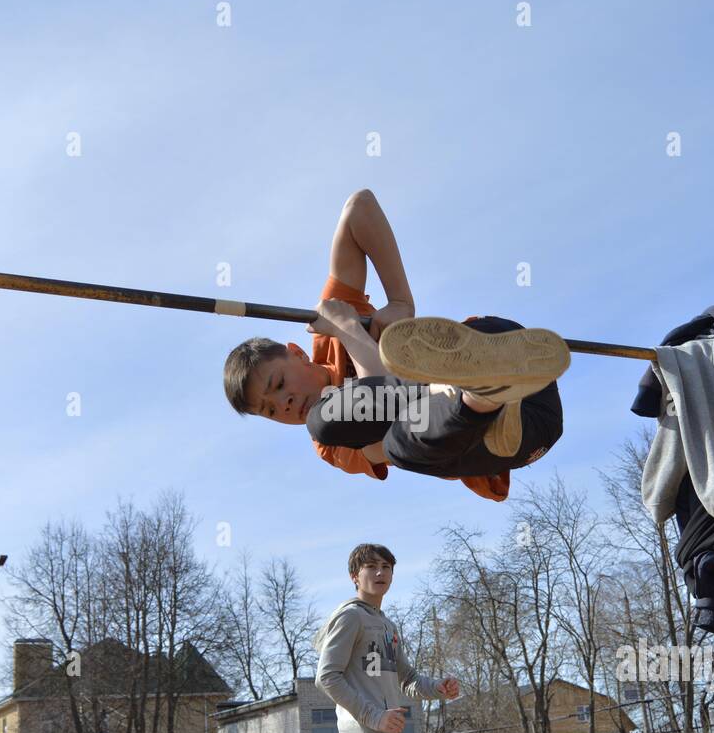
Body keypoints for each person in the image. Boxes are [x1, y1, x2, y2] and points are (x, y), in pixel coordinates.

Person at [222, 189, 568, 502]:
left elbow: (360, 207)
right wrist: (347, 328)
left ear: (296, 353)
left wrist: (401, 301)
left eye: (280, 385)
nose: (286, 405)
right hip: (515, 437)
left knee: (372, 422)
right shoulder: (329, 443)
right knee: (381, 438)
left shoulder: (327, 332)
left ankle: (478, 383)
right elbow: (386, 401)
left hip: (503, 344)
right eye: (270, 411)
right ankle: (480, 396)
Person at [312, 542, 460, 733]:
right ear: (355, 575)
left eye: (386, 567)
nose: (380, 572)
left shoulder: (386, 626)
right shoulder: (351, 618)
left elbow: (407, 679)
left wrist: (438, 687)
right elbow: (327, 676)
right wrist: (375, 716)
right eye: (371, 566)